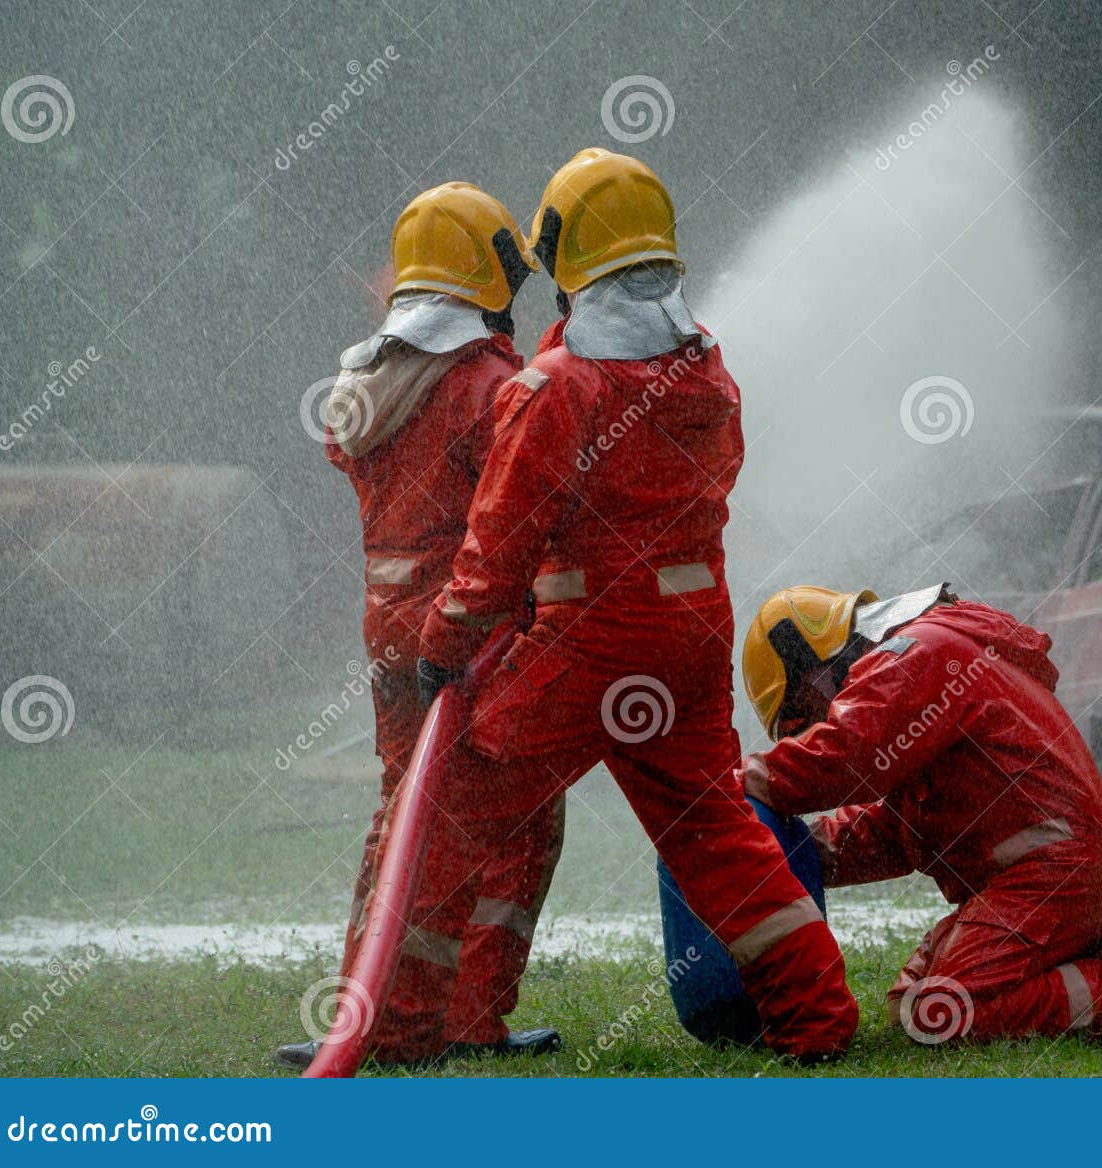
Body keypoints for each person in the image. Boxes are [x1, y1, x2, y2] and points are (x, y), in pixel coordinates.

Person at [364, 148, 857, 1064]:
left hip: (588, 643)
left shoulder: (557, 392)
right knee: (717, 835)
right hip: (691, 638)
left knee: (454, 814)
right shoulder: (706, 372)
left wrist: (447, 639)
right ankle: (818, 1020)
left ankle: (398, 1034)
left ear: (561, 255)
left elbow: (501, 539)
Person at [277, 182, 565, 1069]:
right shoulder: (485, 382)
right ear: (486, 273)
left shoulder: (364, 384)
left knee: (399, 818)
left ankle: (358, 1009)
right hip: (470, 631)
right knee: (515, 817)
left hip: (389, 627)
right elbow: (516, 504)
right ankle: (464, 1015)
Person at [738, 583, 1102, 1045]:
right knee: (911, 1004)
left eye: (800, 718)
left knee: (943, 1013)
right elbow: (900, 830)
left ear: (813, 664)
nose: (806, 733)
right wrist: (797, 851)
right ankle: (1096, 954)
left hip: (1056, 872)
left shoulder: (915, 654)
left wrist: (733, 784)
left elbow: (846, 756)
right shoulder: (921, 666)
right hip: (1045, 872)